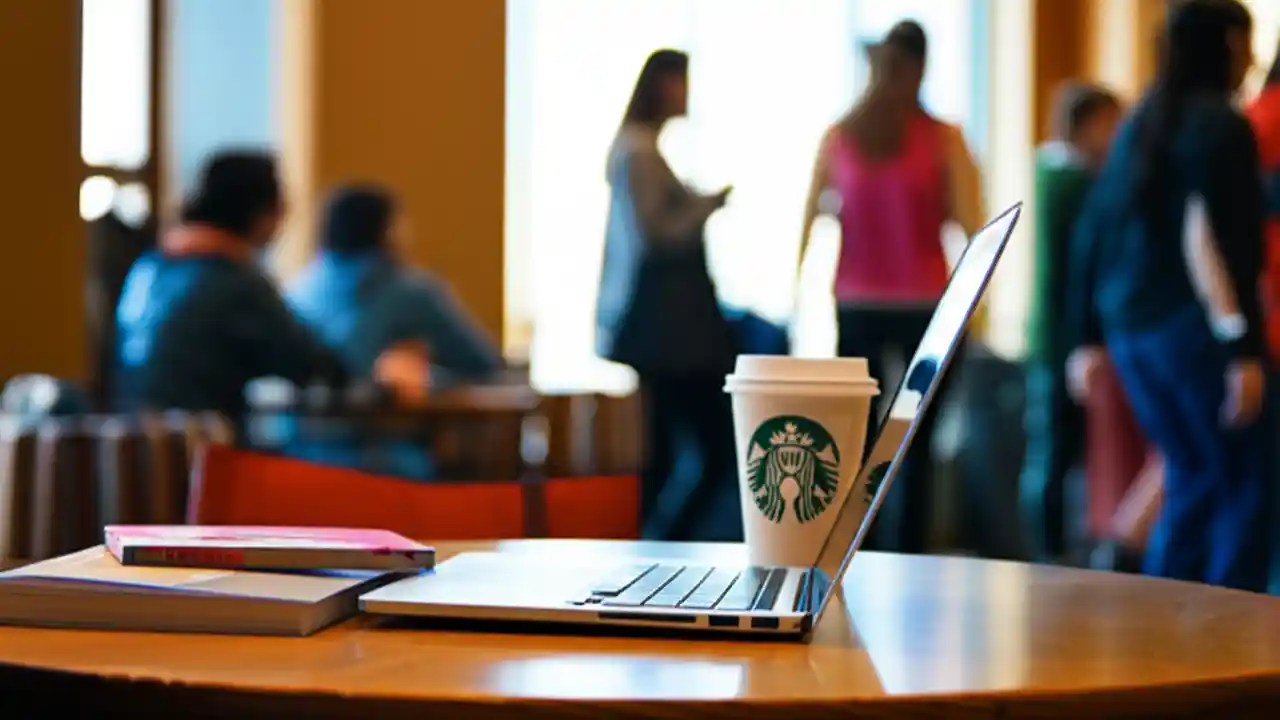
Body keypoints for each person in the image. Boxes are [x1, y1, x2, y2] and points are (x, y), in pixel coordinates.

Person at [1068, 0, 1270, 592]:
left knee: (1193, 475)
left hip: (1133, 334)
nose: (1252, 59)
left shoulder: (1142, 122)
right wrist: (1244, 351)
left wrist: (1086, 337)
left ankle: (1167, 634)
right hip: (1193, 334)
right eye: (1244, 44)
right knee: (1245, 483)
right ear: (1226, 46)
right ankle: (1239, 650)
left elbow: (1093, 234)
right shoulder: (1222, 127)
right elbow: (1218, 247)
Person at [798, 20, 984, 554]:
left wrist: (798, 293)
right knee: (901, 446)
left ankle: (867, 552)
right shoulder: (939, 138)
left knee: (874, 443)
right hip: (915, 304)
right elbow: (970, 223)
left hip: (880, 304)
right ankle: (887, 553)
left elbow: (810, 219)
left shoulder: (842, 137)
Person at [115, 151, 424, 429]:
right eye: (281, 207)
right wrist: (386, 382)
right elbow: (316, 368)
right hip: (200, 458)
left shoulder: (150, 266)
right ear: (259, 213)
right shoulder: (232, 280)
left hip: (138, 454)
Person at [596, 49, 737, 541]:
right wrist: (705, 206)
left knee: (664, 447)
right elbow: (657, 235)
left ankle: (656, 549)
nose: (687, 92)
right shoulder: (638, 151)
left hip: (660, 328)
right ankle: (661, 545)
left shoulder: (639, 149)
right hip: (665, 330)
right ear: (660, 85)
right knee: (709, 447)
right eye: (681, 81)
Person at [1020, 82, 1121, 563]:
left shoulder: (1049, 172)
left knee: (1052, 449)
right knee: (1057, 450)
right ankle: (1049, 552)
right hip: (1064, 337)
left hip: (1050, 334)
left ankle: (1047, 549)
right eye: (1108, 121)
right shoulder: (1073, 180)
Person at [288, 185, 500, 385]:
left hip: (288, 423)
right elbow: (480, 362)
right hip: (371, 420)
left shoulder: (299, 288)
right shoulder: (409, 291)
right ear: (388, 231)